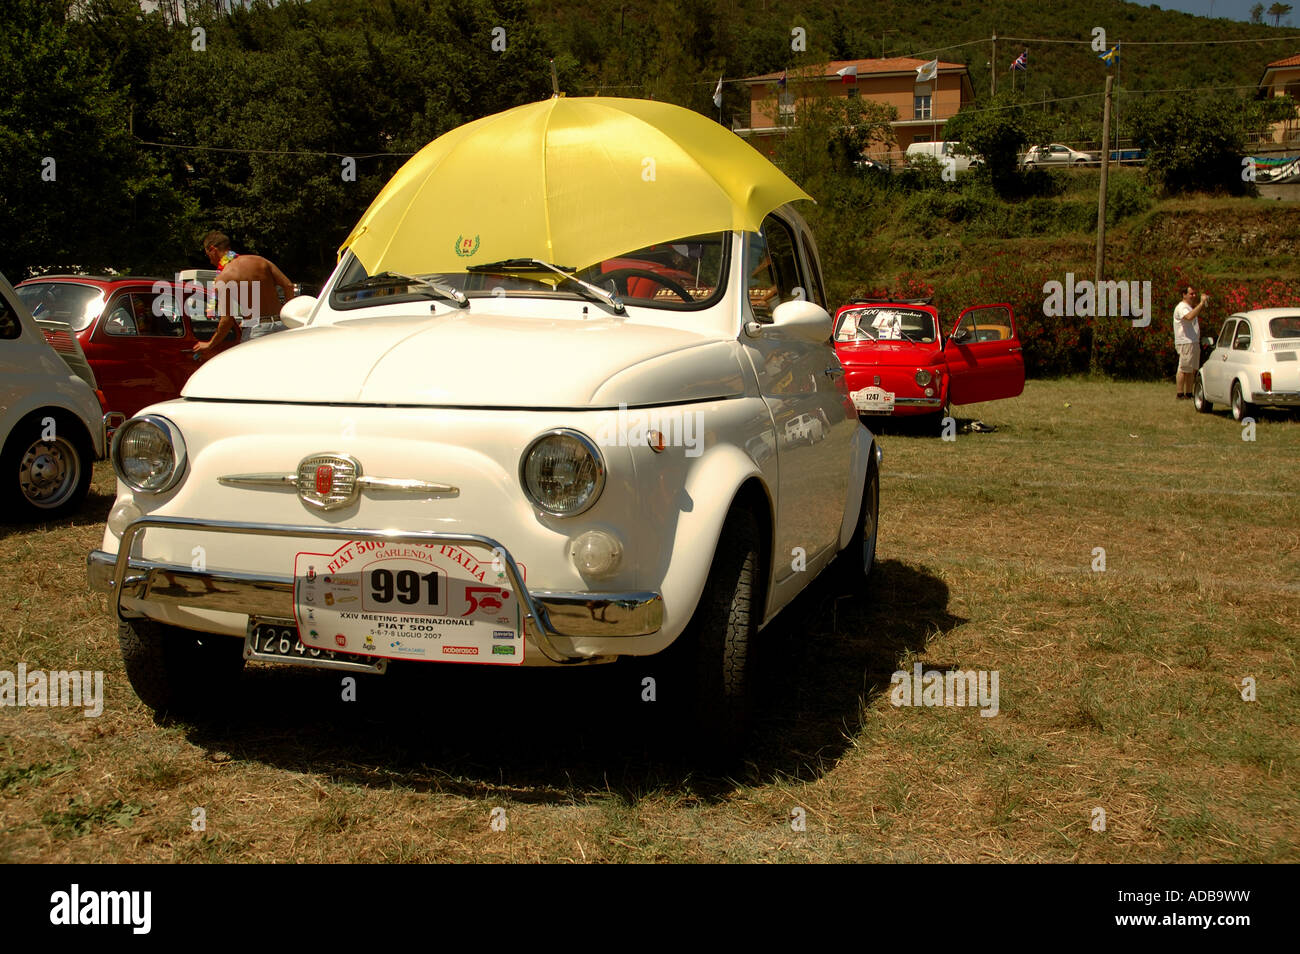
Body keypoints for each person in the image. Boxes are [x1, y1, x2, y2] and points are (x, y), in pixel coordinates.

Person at [193, 231, 296, 355]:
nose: (210, 261)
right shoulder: (260, 260)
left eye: (208, 255)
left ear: (213, 249)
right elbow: (288, 286)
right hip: (282, 325)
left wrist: (210, 344)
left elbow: (227, 320)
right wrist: (288, 316)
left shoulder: (224, 277)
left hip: (257, 331)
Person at [1173, 284, 1209, 400]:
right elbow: (1189, 317)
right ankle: (1180, 394)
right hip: (1185, 342)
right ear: (1184, 295)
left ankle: (1188, 393)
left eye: (1194, 293)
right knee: (1183, 368)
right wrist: (1201, 304)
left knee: (1191, 370)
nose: (1193, 296)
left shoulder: (1188, 307)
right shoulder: (1182, 307)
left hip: (1192, 341)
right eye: (1191, 294)